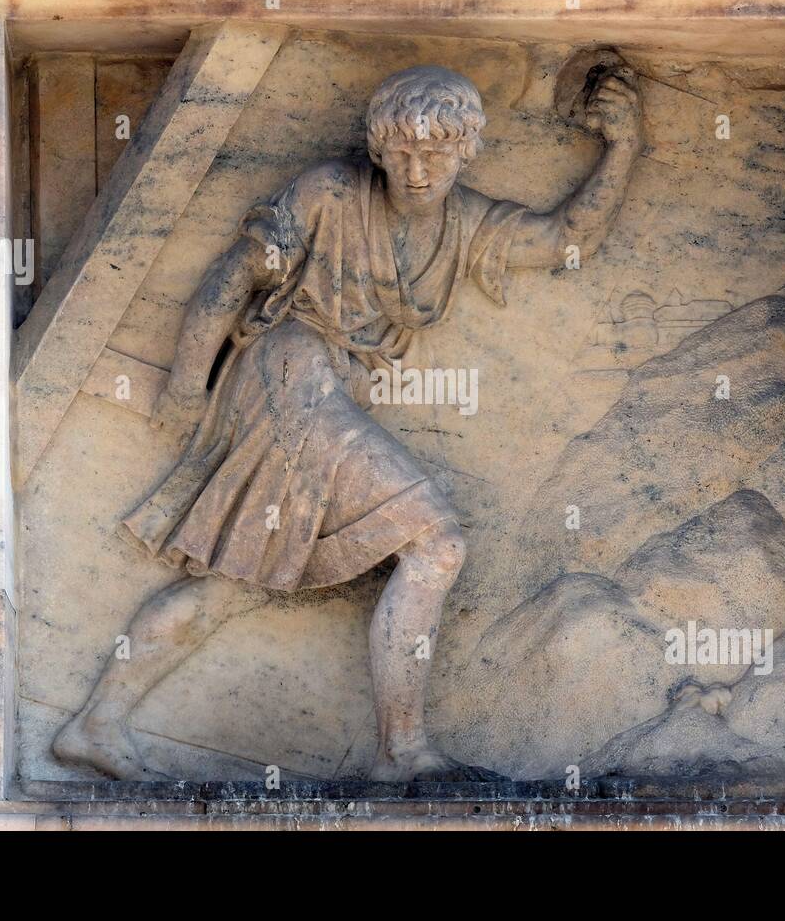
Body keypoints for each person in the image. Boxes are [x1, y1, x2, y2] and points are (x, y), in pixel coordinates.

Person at [54, 63, 642, 781]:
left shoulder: (467, 226)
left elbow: (562, 240)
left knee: (235, 582)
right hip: (288, 375)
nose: (418, 172)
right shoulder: (328, 191)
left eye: (435, 155)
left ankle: (95, 722)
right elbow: (233, 279)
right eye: (402, 155)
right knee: (437, 540)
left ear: (466, 152)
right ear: (377, 150)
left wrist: (624, 148)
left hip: (329, 396)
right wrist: (183, 385)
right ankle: (403, 754)